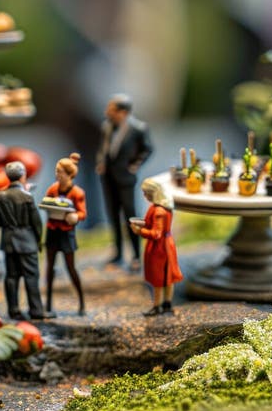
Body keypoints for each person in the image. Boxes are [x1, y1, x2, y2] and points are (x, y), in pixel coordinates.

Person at [96, 94, 153, 271]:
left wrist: (135, 165)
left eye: (112, 109)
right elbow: (103, 147)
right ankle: (118, 253)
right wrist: (101, 162)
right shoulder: (107, 127)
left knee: (130, 215)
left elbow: (148, 149)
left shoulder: (138, 129)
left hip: (125, 176)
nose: (108, 112)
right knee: (112, 215)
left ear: (123, 112)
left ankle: (136, 255)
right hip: (108, 176)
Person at [0, 162, 51, 321]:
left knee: (11, 277)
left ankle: (14, 310)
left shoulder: (0, 196)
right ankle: (36, 310)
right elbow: (36, 223)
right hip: (27, 242)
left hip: (9, 241)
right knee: (31, 276)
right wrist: (38, 240)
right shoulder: (27, 197)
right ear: (23, 176)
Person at [131, 178, 183, 316]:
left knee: (160, 278)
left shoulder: (158, 211)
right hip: (164, 245)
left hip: (160, 249)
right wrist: (143, 224)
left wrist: (139, 231)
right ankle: (166, 303)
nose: (144, 196)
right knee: (166, 276)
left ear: (152, 193)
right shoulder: (159, 208)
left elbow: (156, 233)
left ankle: (159, 305)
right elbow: (153, 226)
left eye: (145, 193)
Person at [44, 153, 87, 316]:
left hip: (67, 233)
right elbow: (46, 203)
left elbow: (83, 213)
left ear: (69, 174)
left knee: (71, 268)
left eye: (60, 172)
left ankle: (81, 301)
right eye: (56, 171)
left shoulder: (77, 193)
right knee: (49, 268)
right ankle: (47, 303)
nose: (57, 175)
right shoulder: (52, 189)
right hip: (52, 231)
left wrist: (75, 217)